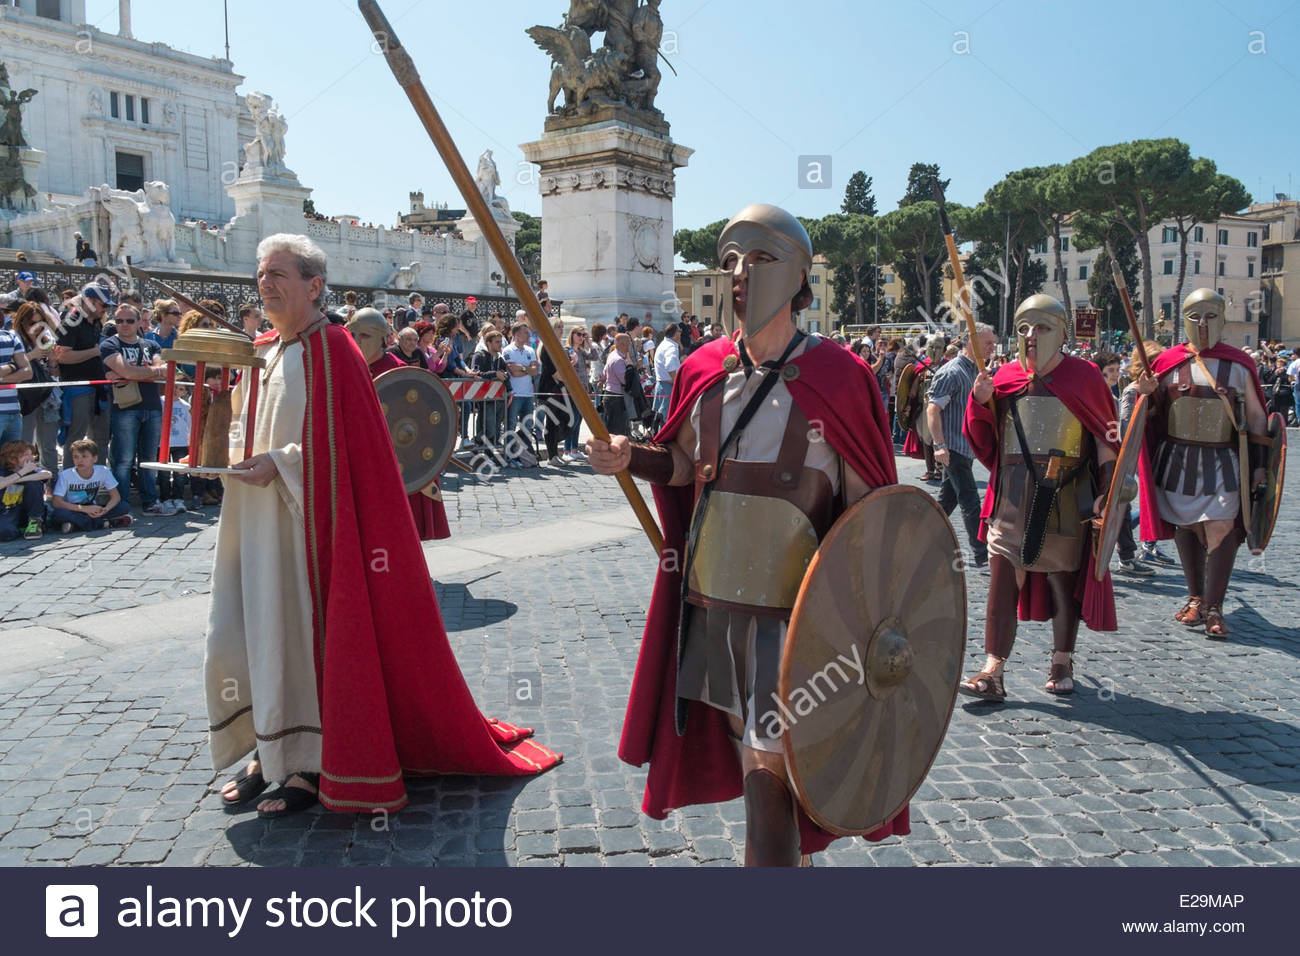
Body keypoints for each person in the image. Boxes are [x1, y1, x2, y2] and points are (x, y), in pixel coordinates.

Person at [586, 203, 907, 865]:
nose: (739, 273)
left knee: (766, 766)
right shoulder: (704, 369)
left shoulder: (839, 377)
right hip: (714, 604)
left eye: (759, 258)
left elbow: (868, 506)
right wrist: (631, 455)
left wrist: (866, 613)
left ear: (798, 274)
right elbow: (684, 465)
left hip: (796, 616)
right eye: (730, 260)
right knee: (748, 746)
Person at [207, 235, 558, 819]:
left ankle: (306, 761)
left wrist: (283, 463)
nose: (265, 283)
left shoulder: (335, 350)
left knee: (299, 631)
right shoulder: (261, 350)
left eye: (278, 274)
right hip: (254, 519)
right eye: (260, 272)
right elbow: (243, 423)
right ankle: (265, 751)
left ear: (314, 286)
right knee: (254, 625)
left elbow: (355, 451)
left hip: (313, 530)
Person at [959, 294, 1120, 701]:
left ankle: (1062, 659)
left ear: (1063, 332)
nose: (1031, 336)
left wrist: (1107, 491)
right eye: (1024, 328)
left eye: (1042, 327)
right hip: (1011, 495)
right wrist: (979, 404)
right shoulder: (1004, 378)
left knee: (1060, 583)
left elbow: (1105, 439)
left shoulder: (1085, 378)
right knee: (1001, 581)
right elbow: (985, 443)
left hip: (1066, 497)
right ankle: (992, 671)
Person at [1137, 289, 1271, 640]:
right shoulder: (1167, 362)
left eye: (1210, 316)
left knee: (1222, 528)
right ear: (1184, 320)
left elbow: (1257, 421)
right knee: (1186, 526)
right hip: (1176, 461)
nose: (1202, 324)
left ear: (1222, 318)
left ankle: (1214, 606)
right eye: (1195, 316)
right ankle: (1196, 596)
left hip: (1223, 461)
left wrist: (1260, 466)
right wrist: (1143, 394)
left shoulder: (1239, 365)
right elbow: (1149, 415)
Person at [347, 307, 450, 542]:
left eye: (365, 335)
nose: (358, 341)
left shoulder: (397, 371)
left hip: (396, 459)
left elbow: (421, 417)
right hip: (363, 458)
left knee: (402, 528)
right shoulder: (352, 368)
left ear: (383, 338)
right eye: (355, 335)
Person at [927, 325, 996, 570]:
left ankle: (921, 538)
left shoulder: (977, 372)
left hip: (966, 448)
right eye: (987, 343)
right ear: (972, 343)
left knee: (947, 502)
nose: (992, 348)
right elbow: (933, 409)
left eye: (992, 343)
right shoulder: (952, 372)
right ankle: (981, 555)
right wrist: (940, 445)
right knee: (970, 501)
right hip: (953, 447)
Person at [100, 303, 168, 516]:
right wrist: (150, 372)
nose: (124, 325)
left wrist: (131, 373)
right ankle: (120, 503)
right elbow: (127, 371)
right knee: (124, 459)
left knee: (149, 458)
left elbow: (166, 371)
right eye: (119, 321)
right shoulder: (108, 344)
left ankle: (150, 501)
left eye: (129, 320)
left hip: (152, 406)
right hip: (124, 408)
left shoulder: (151, 344)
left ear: (139, 322)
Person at [1091, 349, 1153, 577]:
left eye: (1117, 370)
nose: (1115, 374)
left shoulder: (1113, 397)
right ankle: (1116, 556)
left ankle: (1126, 556)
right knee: (1107, 511)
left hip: (1115, 460)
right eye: (1110, 371)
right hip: (1098, 464)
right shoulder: (1092, 397)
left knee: (1122, 509)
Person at [55, 284, 116, 466]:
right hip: (77, 389)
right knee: (76, 439)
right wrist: (94, 352)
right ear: (89, 302)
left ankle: (97, 480)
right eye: (103, 305)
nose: (106, 309)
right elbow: (62, 356)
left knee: (101, 438)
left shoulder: (96, 322)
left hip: (98, 388)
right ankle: (69, 482)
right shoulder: (71, 321)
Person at [50, 438, 132, 532]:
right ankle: (105, 523)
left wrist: (105, 510)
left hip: (93, 508)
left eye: (84, 456)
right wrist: (85, 509)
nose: (79, 460)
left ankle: (76, 525)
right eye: (76, 457)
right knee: (58, 514)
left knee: (124, 506)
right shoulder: (66, 475)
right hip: (73, 508)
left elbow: (116, 497)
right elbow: (56, 502)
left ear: (95, 458)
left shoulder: (103, 471)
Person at [502, 316, 539, 468]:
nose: (529, 335)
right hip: (515, 394)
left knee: (527, 426)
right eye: (525, 332)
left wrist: (522, 368)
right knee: (510, 425)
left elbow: (535, 371)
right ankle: (510, 456)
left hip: (528, 394)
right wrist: (527, 369)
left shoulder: (530, 350)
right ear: (517, 334)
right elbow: (513, 371)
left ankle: (523, 454)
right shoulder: (508, 350)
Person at [0, 440, 49, 540]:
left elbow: (47, 474)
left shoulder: (32, 470)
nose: (31, 458)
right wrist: (22, 472)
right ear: (12, 458)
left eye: (31, 454)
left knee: (34, 483)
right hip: (7, 512)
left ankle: (35, 522)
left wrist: (17, 479)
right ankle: (20, 528)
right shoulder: (3, 472)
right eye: (26, 455)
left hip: (29, 511)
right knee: (5, 533)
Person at [471, 328, 509, 448]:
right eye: (497, 342)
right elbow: (476, 373)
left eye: (500, 341)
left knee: (497, 425)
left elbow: (505, 375)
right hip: (484, 397)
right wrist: (494, 374)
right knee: (489, 426)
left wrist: (505, 377)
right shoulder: (479, 356)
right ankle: (479, 442)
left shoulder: (500, 359)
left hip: (499, 397)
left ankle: (490, 448)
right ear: (489, 343)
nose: (500, 344)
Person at [0, 308, 32, 444]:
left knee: (12, 463)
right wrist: (13, 366)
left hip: (13, 411)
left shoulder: (11, 337)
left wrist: (2, 379)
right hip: (12, 412)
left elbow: (28, 372)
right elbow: (23, 369)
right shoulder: (12, 338)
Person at [599, 332, 633, 436]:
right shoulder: (618, 359)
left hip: (611, 396)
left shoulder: (612, 355)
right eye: (629, 343)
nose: (630, 345)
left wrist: (602, 381)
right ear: (623, 344)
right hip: (616, 398)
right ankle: (615, 451)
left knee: (613, 429)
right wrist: (630, 366)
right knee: (616, 432)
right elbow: (625, 381)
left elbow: (604, 373)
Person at [651, 321, 681, 423]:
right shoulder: (671, 347)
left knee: (659, 416)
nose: (680, 333)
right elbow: (670, 366)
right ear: (675, 333)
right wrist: (676, 382)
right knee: (665, 418)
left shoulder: (664, 344)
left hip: (661, 384)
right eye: (679, 331)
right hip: (668, 385)